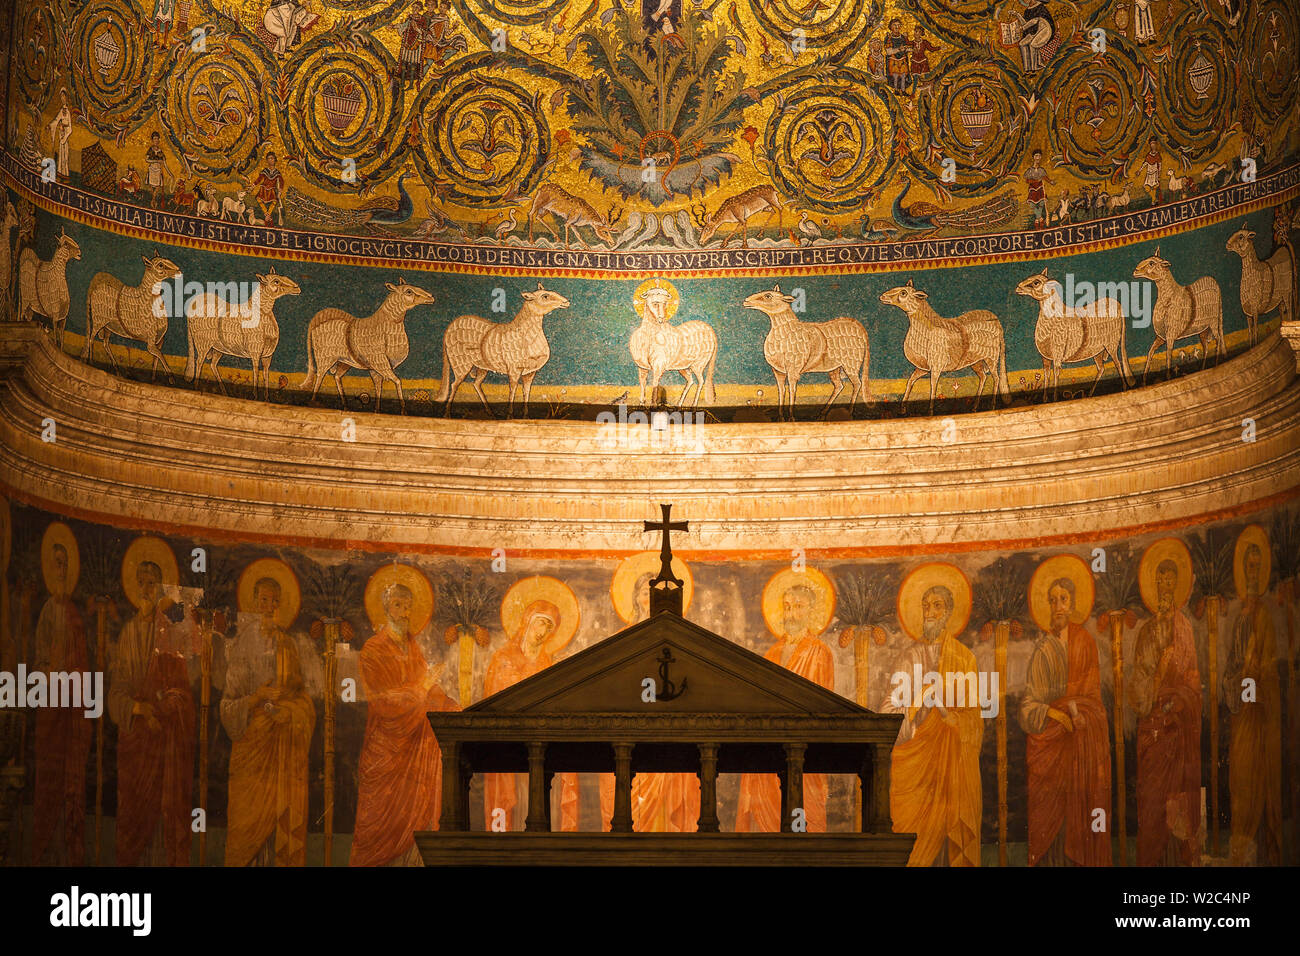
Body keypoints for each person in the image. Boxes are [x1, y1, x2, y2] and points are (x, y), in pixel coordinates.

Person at [350, 583, 459, 866]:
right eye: (398, 605)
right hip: (385, 750)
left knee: (416, 822)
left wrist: (452, 708)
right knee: (378, 826)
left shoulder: (412, 647)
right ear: (386, 608)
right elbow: (383, 703)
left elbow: (430, 691)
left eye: (408, 606)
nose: (404, 612)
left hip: (414, 751)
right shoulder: (372, 650)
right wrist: (421, 688)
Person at [879, 584, 983, 865]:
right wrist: (911, 715)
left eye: (937, 605)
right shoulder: (908, 657)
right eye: (926, 605)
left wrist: (953, 719)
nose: (930, 612)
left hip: (950, 764)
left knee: (947, 835)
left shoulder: (963, 658)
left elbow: (975, 721)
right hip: (916, 760)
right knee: (913, 843)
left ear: (948, 612)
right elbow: (888, 711)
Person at [221, 577, 317, 866]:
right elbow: (227, 707)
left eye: (275, 601)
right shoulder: (241, 646)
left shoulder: (287, 644)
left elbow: (302, 700)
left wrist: (290, 713)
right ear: (253, 602)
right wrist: (256, 698)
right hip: (251, 748)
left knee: (280, 822)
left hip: (282, 750)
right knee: (244, 826)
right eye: (264, 600)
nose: (270, 606)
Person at [1018, 578, 1112, 865]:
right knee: (1048, 820)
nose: (1058, 606)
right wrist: (1057, 714)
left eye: (1064, 599)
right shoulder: (1042, 650)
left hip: (1081, 747)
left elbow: (1094, 700)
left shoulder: (1085, 643)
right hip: (1050, 746)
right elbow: (1028, 707)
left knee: (1078, 813)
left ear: (1072, 604)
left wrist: (1080, 715)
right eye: (1053, 599)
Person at [107, 560, 194, 866]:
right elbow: (114, 692)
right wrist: (140, 708)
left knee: (163, 817)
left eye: (152, 583)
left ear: (160, 589)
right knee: (133, 814)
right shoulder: (128, 634)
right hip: (135, 739)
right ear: (134, 585)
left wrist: (166, 707)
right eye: (141, 582)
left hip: (163, 740)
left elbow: (182, 691)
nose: (146, 588)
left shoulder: (170, 634)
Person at [735, 585, 835, 831]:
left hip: (806, 750)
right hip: (772, 749)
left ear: (811, 611)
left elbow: (823, 704)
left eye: (798, 607)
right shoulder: (772, 653)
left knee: (807, 823)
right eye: (787, 607)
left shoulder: (820, 652)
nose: (791, 614)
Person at [1130, 558, 1201, 865]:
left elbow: (1193, 681)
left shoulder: (1184, 630)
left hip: (1178, 731)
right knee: (1151, 803)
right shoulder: (1146, 632)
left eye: (1170, 581)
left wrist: (1180, 702)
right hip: (1153, 731)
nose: (1165, 587)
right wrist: (1158, 675)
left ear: (1178, 586)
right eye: (1160, 581)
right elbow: (1139, 688)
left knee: (1180, 804)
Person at [483, 601, 578, 830]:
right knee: (516, 808)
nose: (543, 632)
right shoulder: (502, 658)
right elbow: (495, 702)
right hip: (512, 748)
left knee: (547, 802)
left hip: (546, 749)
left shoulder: (551, 663)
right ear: (527, 622)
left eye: (548, 627)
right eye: (540, 624)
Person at [31, 542, 92, 865]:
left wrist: (74, 676)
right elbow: (37, 664)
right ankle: (45, 852)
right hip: (51, 711)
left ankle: (69, 855)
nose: (61, 570)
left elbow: (84, 666)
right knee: (48, 781)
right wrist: (53, 673)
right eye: (56, 563)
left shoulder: (74, 614)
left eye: (65, 564)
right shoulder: (45, 613)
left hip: (72, 713)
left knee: (72, 784)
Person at [1223, 544, 1282, 865]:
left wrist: (1253, 675)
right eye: (1250, 567)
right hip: (1242, 716)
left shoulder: (1266, 617)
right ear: (1243, 571)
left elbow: (1269, 670)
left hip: (1262, 717)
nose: (1254, 573)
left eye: (1259, 567)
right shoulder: (1238, 618)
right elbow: (1233, 667)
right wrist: (1238, 679)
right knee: (1241, 783)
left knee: (1260, 781)